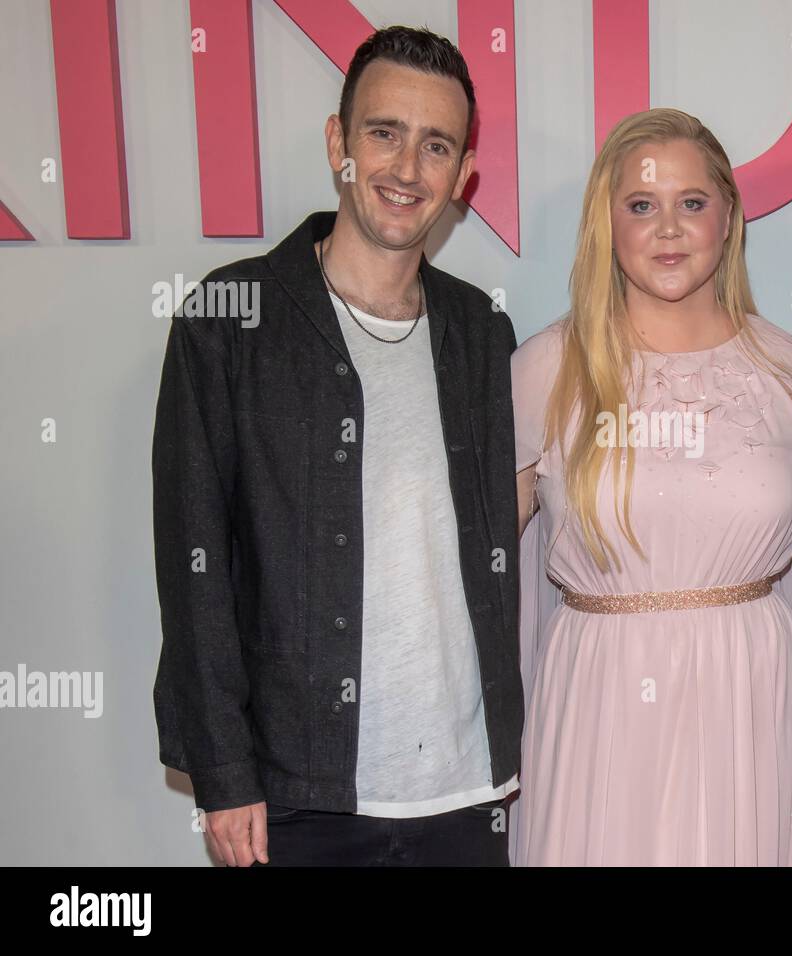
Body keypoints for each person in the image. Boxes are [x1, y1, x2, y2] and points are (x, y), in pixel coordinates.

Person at [151, 26, 522, 866]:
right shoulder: (230, 319)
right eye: (383, 132)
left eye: (436, 146)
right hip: (295, 796)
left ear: (462, 177)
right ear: (337, 143)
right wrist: (222, 769)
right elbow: (193, 556)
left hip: (467, 797)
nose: (405, 169)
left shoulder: (481, 335)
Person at [511, 108, 792, 865]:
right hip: (599, 698)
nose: (668, 229)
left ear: (729, 217)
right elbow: (472, 558)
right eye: (641, 205)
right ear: (607, 223)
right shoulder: (544, 369)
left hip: (750, 695)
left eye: (692, 203)